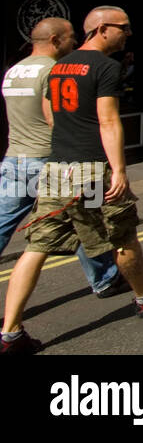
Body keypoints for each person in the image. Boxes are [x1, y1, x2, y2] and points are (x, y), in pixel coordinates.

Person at [2, 7, 143, 355]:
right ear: (103, 29)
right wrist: (120, 170)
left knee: (38, 245)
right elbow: (108, 122)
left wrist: (67, 134)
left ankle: (10, 332)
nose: (127, 34)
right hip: (91, 172)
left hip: (56, 171)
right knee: (120, 232)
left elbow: (49, 113)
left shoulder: (58, 66)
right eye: (123, 28)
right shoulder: (106, 67)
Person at [0, 17, 122, 299]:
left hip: (15, 161)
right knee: (86, 217)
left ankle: (105, 276)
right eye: (70, 38)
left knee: (5, 225)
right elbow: (55, 118)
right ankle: (104, 279)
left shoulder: (14, 71)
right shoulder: (55, 69)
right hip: (50, 161)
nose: (75, 44)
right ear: (55, 40)